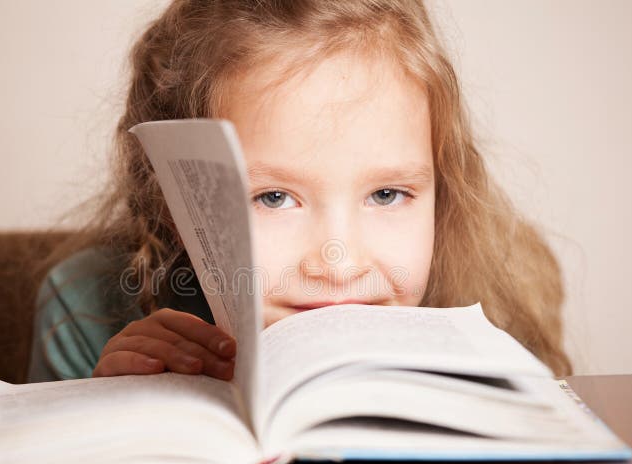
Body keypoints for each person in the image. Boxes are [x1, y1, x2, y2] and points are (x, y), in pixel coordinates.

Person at [28, 0, 572, 384]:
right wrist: (105, 420)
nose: (338, 265)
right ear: (176, 203)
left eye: (386, 195)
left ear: (442, 192)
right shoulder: (86, 307)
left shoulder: (504, 291)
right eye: (273, 198)